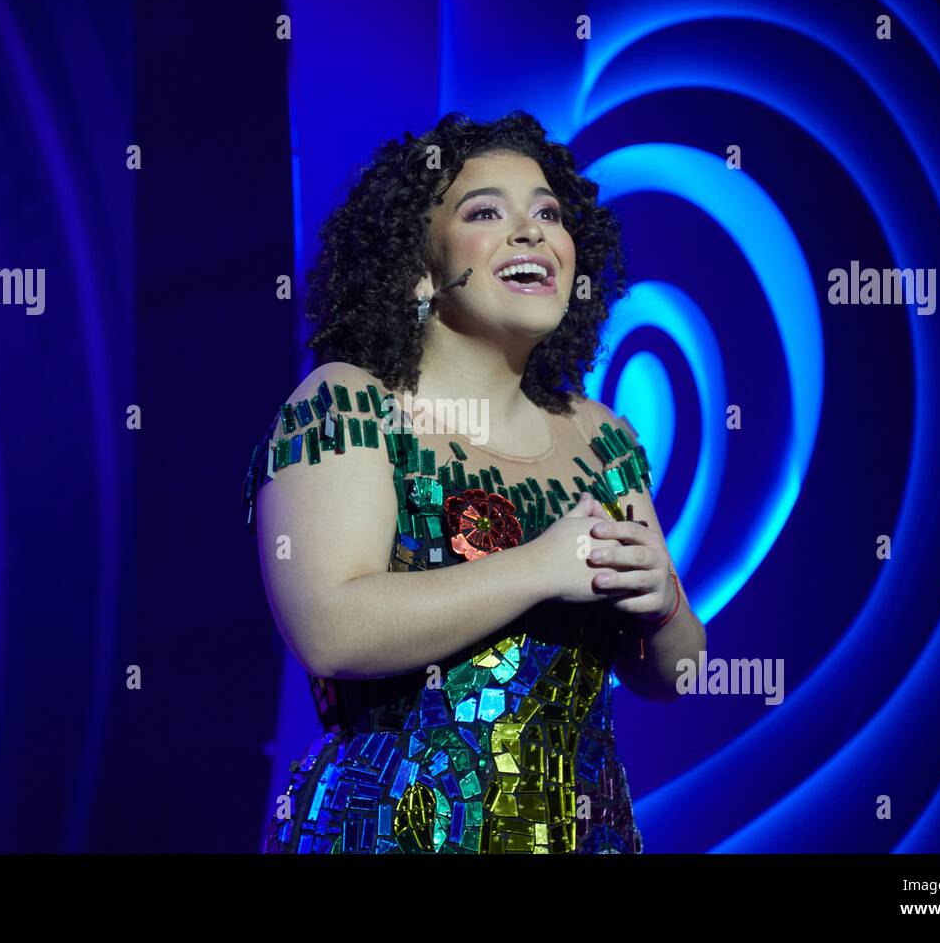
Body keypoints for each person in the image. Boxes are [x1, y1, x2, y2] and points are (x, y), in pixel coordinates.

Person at [241, 111, 706, 853]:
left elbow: (676, 676)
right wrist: (539, 568)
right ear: (419, 270)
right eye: (486, 211)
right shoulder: (351, 402)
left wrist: (663, 605)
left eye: (548, 214)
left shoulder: (603, 436)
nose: (531, 232)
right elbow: (330, 630)